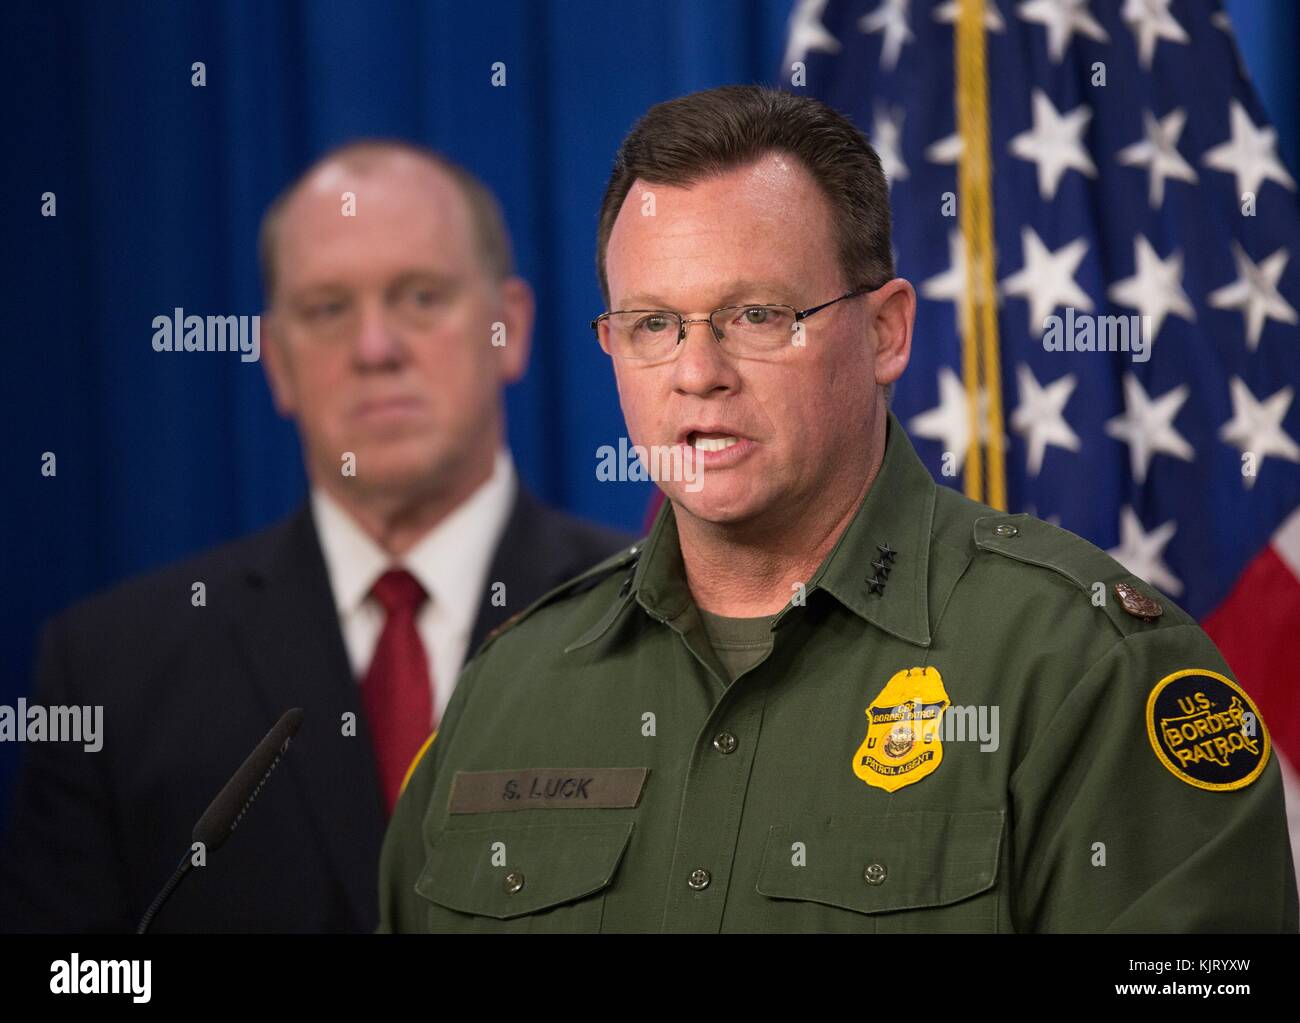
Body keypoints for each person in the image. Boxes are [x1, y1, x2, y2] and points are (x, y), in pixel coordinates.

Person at [378, 87, 1298, 933]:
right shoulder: (509, 690)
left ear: (887, 331)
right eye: (654, 324)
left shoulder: (1087, 670)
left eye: (757, 315)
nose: (698, 373)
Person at [0, 141, 632, 933]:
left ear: (509, 327)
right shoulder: (109, 669)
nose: (376, 348)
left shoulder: (648, 616)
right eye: (329, 309)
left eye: (421, 296)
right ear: (276, 362)